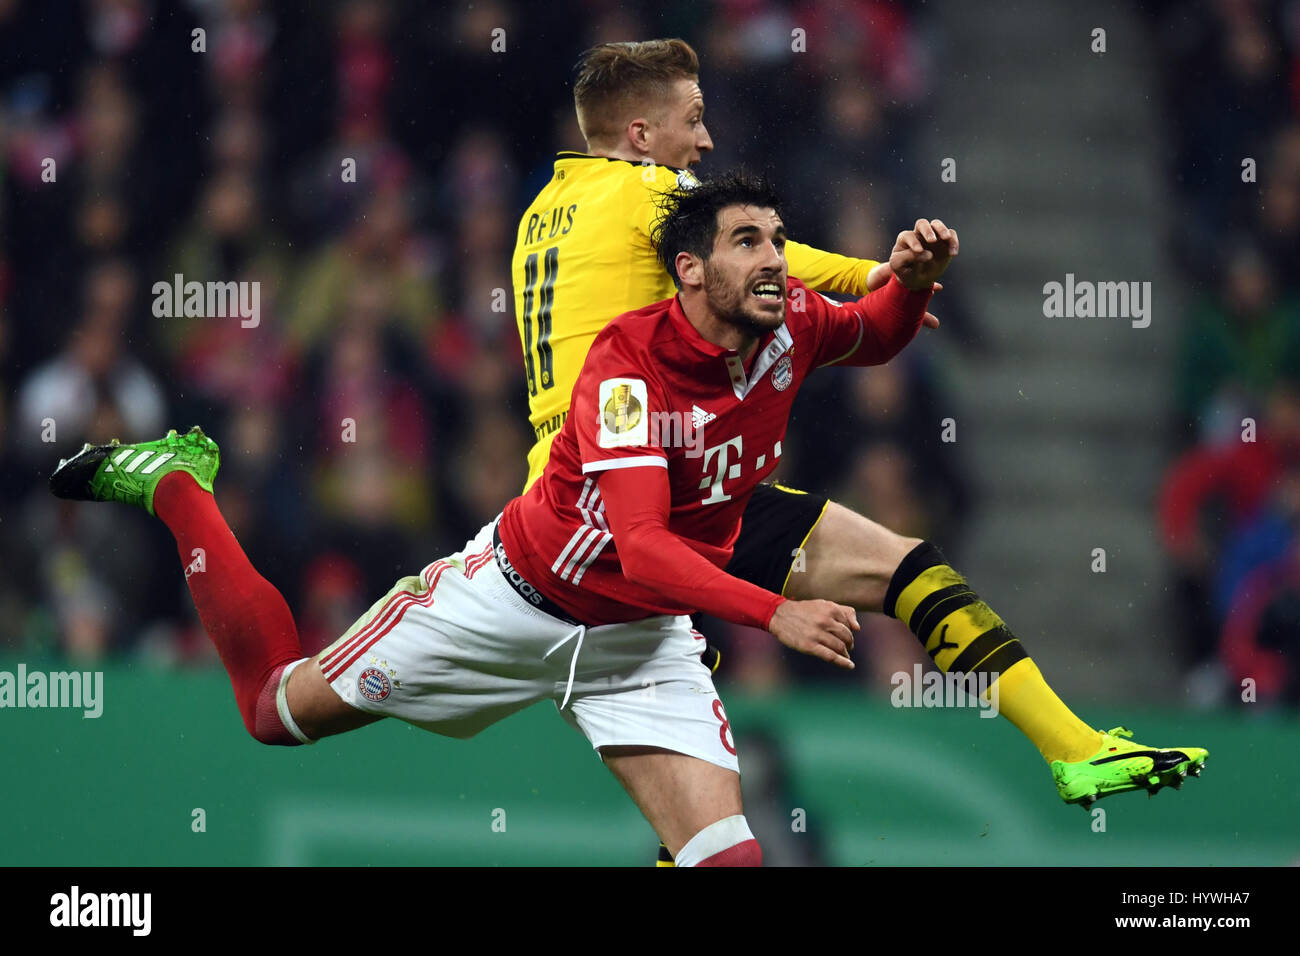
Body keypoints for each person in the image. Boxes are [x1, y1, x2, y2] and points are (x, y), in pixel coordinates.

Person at [51, 174, 1208, 866]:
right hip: (512, 600)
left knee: (729, 854)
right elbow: (644, 541)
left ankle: (1069, 746)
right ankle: (177, 483)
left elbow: (875, 333)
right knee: (272, 709)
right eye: (750, 242)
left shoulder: (792, 325)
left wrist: (904, 279)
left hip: (639, 641)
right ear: (690, 270)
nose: (777, 260)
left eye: (778, 239)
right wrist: (772, 610)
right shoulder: (625, 367)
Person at [512, 39, 1207, 865]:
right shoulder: (647, 191)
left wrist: (888, 299)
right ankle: (1071, 749)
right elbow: (757, 251)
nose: (704, 140)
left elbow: (801, 309)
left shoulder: (542, 212)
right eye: (691, 120)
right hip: (627, 504)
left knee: (900, 571)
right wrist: (873, 272)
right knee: (707, 827)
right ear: (638, 135)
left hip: (599, 494)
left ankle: (1075, 748)